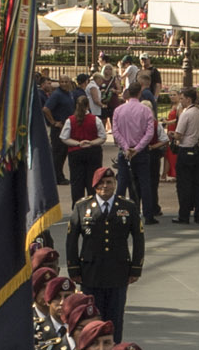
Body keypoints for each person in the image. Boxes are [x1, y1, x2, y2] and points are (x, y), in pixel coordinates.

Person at [65, 162, 145, 335]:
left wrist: (136, 269)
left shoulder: (128, 206)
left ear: (115, 184)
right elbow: (72, 240)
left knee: (115, 317)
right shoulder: (82, 206)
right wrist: (73, 268)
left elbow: (138, 238)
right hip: (90, 272)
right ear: (94, 186)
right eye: (101, 183)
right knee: (92, 316)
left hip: (118, 271)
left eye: (109, 182)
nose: (105, 186)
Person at [111, 78, 163, 223]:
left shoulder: (118, 110)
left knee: (122, 184)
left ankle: (118, 213)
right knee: (145, 183)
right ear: (140, 93)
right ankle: (148, 214)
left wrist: (126, 147)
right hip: (141, 151)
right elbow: (149, 133)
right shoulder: (145, 110)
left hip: (125, 151)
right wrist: (138, 148)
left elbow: (116, 131)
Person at [170, 84, 199, 222]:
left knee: (184, 185)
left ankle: (184, 215)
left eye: (182, 98)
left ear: (188, 99)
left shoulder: (186, 113)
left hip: (186, 149)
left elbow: (179, 135)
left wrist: (172, 134)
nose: (180, 101)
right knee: (198, 184)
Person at [64, 90, 105, 199]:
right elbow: (102, 137)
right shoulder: (95, 119)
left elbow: (64, 137)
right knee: (93, 180)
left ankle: (77, 205)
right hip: (93, 152)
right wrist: (91, 142)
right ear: (88, 106)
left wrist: (78, 143)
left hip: (75, 152)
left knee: (77, 181)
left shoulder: (70, 120)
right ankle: (94, 204)